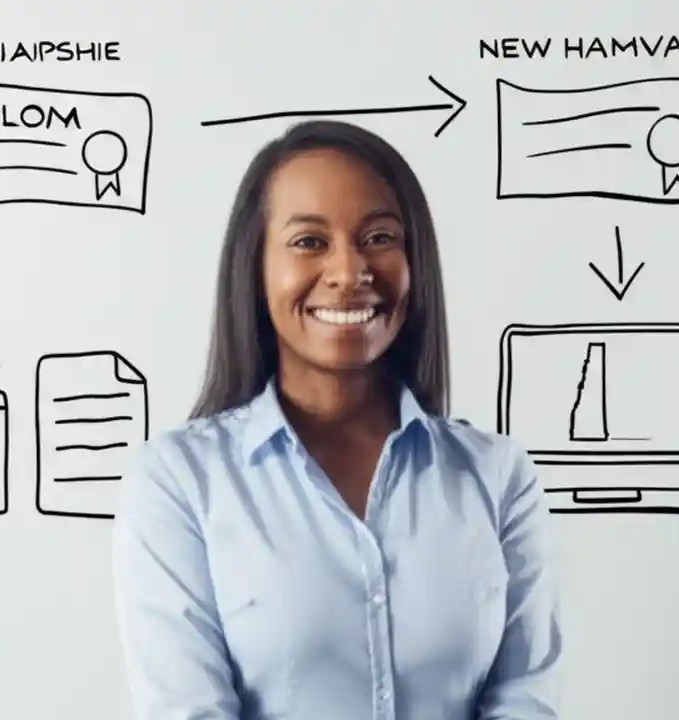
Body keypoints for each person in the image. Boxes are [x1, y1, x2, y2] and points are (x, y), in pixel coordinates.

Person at [112, 119, 562, 719]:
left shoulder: (498, 476)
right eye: (309, 241)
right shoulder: (178, 481)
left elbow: (525, 701)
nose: (349, 273)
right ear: (256, 268)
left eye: (379, 237)